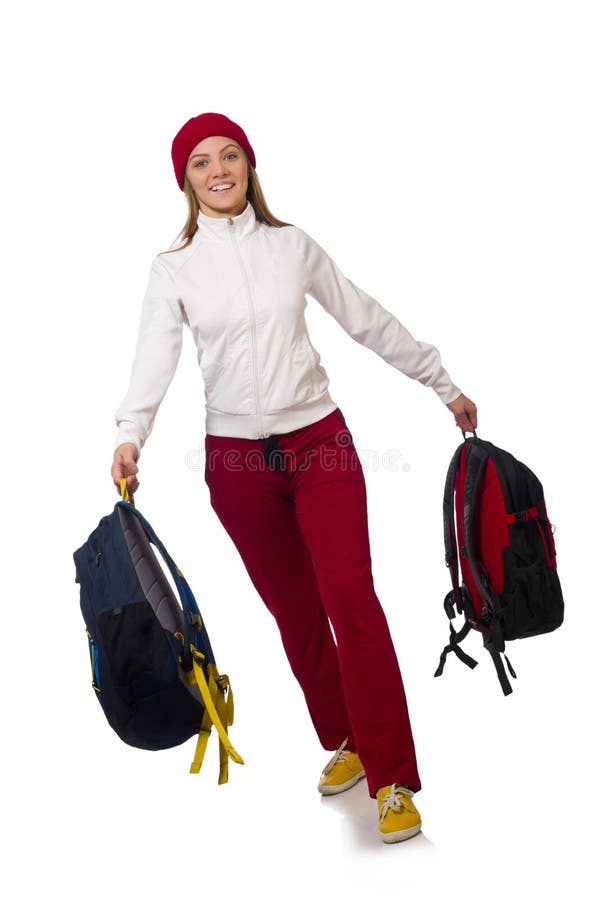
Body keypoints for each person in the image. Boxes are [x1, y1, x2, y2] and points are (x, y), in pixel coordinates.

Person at [111, 112, 478, 844]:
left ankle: (394, 778)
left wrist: (442, 383)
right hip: (237, 463)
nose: (218, 170)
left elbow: (366, 318)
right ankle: (347, 739)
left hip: (319, 444)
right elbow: (154, 356)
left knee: (351, 600)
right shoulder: (173, 267)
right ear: (186, 180)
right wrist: (130, 434)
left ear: (249, 165)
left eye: (230, 156)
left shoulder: (292, 245)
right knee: (298, 615)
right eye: (201, 162)